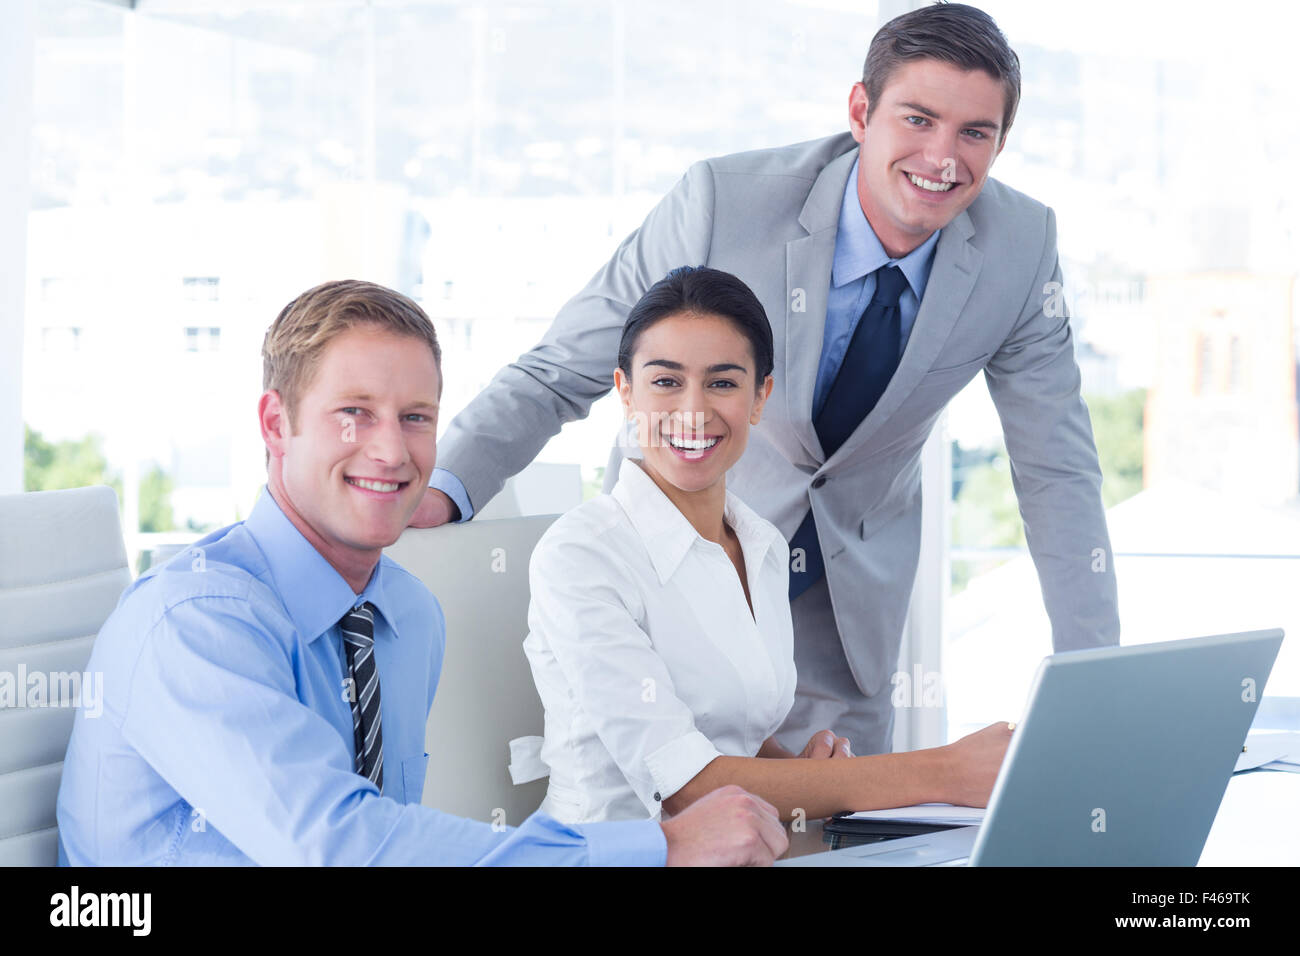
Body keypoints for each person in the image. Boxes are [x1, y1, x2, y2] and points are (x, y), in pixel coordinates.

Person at [412, 3, 1120, 756]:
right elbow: (562, 368)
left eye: (974, 133)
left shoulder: (1021, 249)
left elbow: (1056, 472)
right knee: (680, 800)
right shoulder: (723, 204)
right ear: (861, 111)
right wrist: (441, 491)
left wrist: (1093, 683)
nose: (943, 157)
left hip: (843, 619)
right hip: (676, 578)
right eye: (918, 120)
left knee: (848, 811)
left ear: (1001, 142)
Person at [55, 279, 787, 866]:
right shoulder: (196, 621)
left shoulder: (405, 614)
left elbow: (392, 833)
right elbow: (344, 847)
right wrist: (657, 848)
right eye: (354, 413)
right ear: (276, 424)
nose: (390, 451)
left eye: (415, 417)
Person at [520, 266, 1011, 823]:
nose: (693, 411)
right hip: (609, 852)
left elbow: (737, 740)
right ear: (626, 393)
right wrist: (944, 772)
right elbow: (684, 787)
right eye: (666, 382)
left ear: (760, 398)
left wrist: (809, 775)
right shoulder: (582, 555)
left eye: (723, 383)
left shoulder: (762, 544)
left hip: (739, 850)